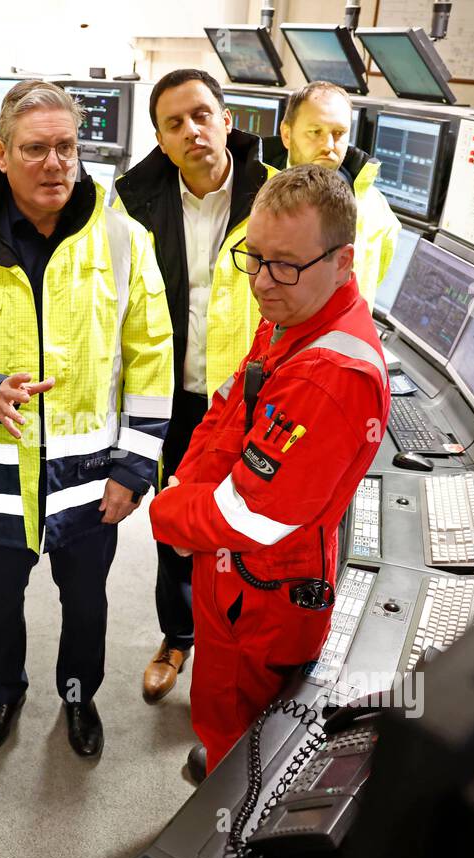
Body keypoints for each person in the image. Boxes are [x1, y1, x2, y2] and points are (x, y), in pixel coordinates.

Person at [0, 80, 173, 758]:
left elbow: (152, 359)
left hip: (92, 483)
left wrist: (135, 468)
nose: (55, 163)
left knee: (85, 608)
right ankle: (5, 693)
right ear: (1, 154)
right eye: (36, 149)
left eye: (66, 148)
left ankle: (78, 701)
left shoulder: (123, 241)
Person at [149, 165, 390, 778]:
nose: (260, 281)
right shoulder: (292, 312)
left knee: (247, 733)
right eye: (253, 257)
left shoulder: (332, 375)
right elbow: (228, 409)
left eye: (283, 263)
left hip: (263, 592)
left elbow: (252, 514)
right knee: (219, 703)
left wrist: (166, 513)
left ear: (343, 262)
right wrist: (185, 485)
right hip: (227, 568)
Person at [114, 69, 277, 704]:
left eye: (203, 115)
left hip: (252, 394)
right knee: (175, 519)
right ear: (159, 138)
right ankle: (176, 637)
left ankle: (240, 650)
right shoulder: (132, 205)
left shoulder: (273, 195)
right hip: (172, 395)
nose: (193, 131)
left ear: (227, 119)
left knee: (251, 524)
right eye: (175, 123)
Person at [275, 81, 400, 308]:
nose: (329, 145)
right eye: (315, 132)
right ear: (286, 134)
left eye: (339, 133)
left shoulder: (375, 210)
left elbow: (375, 278)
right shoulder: (253, 195)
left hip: (343, 340)